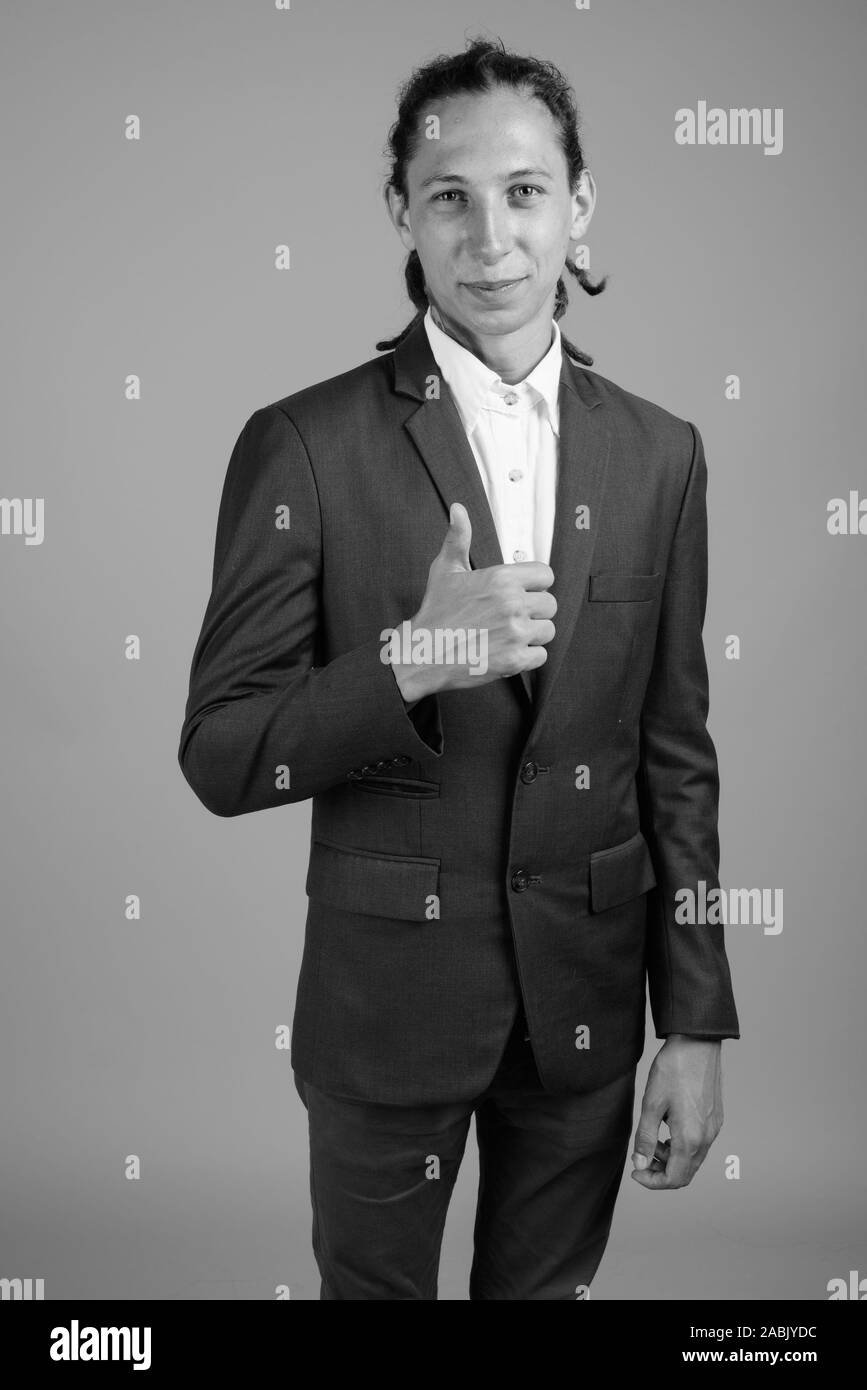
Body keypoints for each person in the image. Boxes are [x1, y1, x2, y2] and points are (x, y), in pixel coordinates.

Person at [177, 36, 740, 1300]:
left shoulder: (663, 456)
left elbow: (678, 762)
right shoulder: (304, 446)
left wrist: (695, 1018)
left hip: (586, 1018)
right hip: (387, 1014)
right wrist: (419, 656)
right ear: (402, 212)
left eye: (526, 191)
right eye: (450, 196)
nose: (492, 237)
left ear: (579, 205)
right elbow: (221, 751)